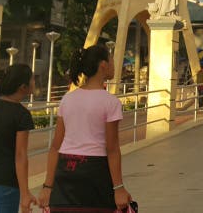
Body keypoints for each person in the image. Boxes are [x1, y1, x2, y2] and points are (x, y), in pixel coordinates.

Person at [38, 44, 133, 212]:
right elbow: (112, 149)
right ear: (103, 65)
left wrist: (47, 186)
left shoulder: (67, 99)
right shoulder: (110, 102)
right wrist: (119, 188)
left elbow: (55, 147)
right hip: (95, 172)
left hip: (65, 170)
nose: (114, 65)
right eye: (112, 60)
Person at [0, 65, 36, 213]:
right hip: (7, 182)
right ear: (23, 87)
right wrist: (25, 193)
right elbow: (20, 155)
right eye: (32, 79)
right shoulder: (22, 114)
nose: (34, 82)